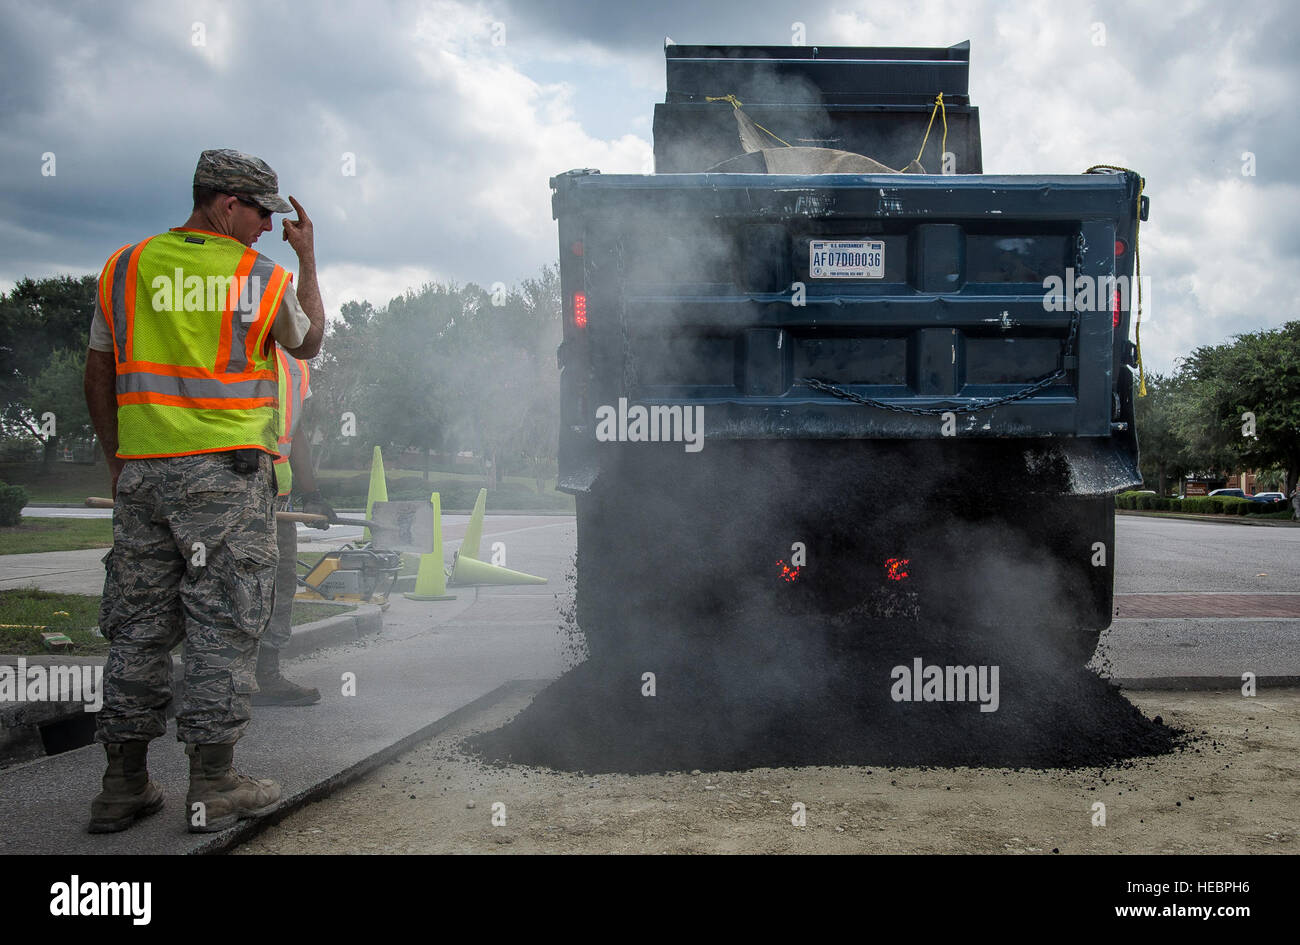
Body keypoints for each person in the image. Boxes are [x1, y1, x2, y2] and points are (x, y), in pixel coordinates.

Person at [82, 149, 324, 833]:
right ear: (225, 203)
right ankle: (214, 782)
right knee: (223, 622)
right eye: (259, 214)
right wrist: (307, 259)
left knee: (137, 628)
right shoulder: (258, 276)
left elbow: (98, 375)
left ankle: (122, 784)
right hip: (223, 480)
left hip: (145, 475)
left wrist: (119, 463)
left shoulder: (124, 269)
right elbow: (308, 345)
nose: (264, 229)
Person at [258, 347, 333, 705]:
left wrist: (312, 494)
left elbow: (295, 429)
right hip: (232, 488)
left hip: (278, 496)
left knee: (280, 583)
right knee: (231, 582)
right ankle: (221, 678)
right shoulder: (237, 337)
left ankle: (266, 676)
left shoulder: (298, 363)